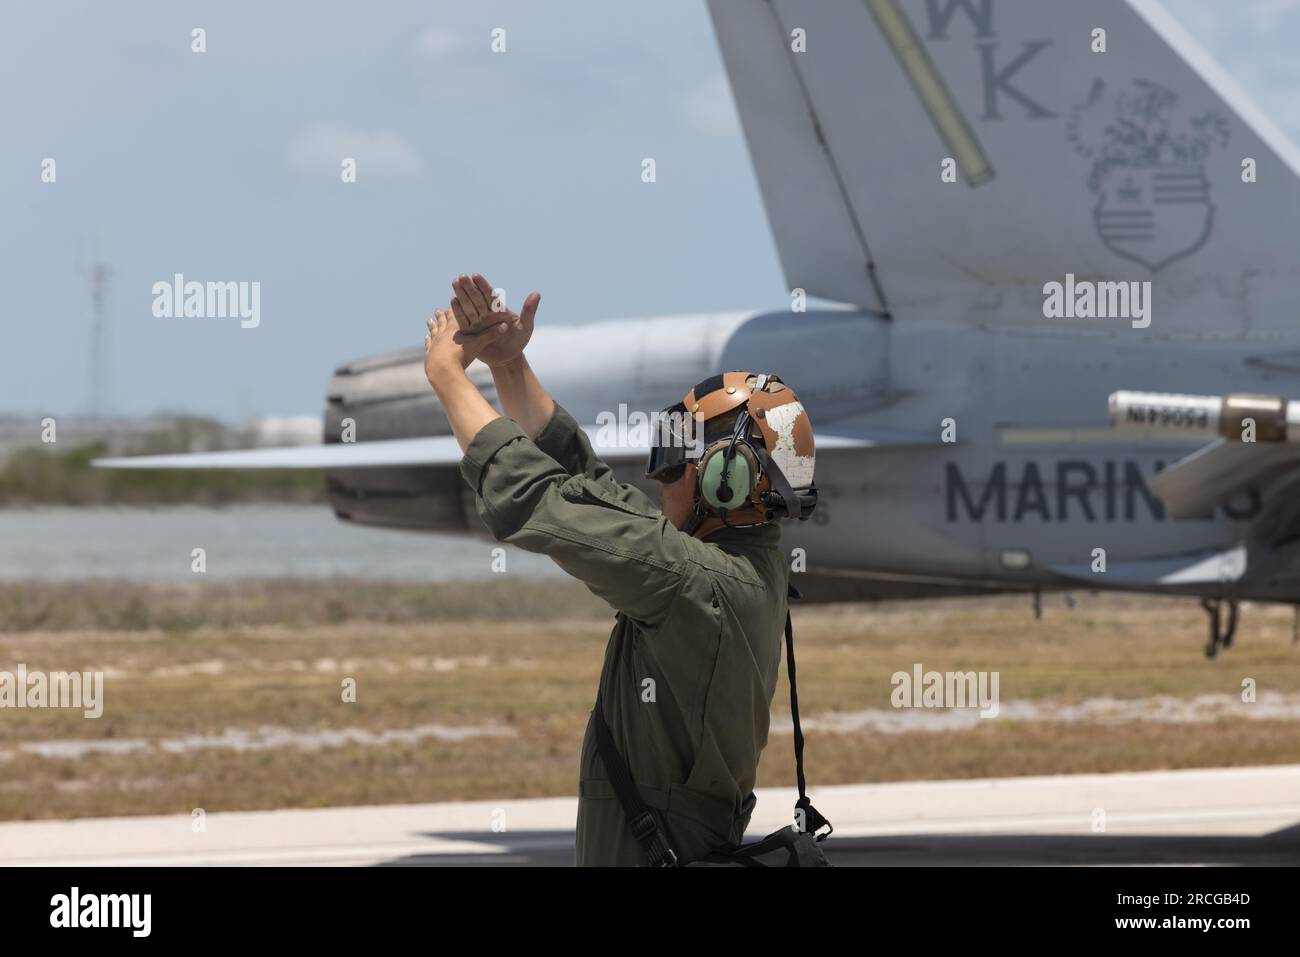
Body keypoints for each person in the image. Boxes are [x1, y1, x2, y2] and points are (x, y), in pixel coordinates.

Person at [423, 273, 817, 865]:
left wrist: (448, 377)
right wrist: (508, 365)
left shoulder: (697, 584)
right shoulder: (743, 572)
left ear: (725, 479)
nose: (658, 480)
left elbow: (543, 500)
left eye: (673, 462)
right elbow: (592, 491)